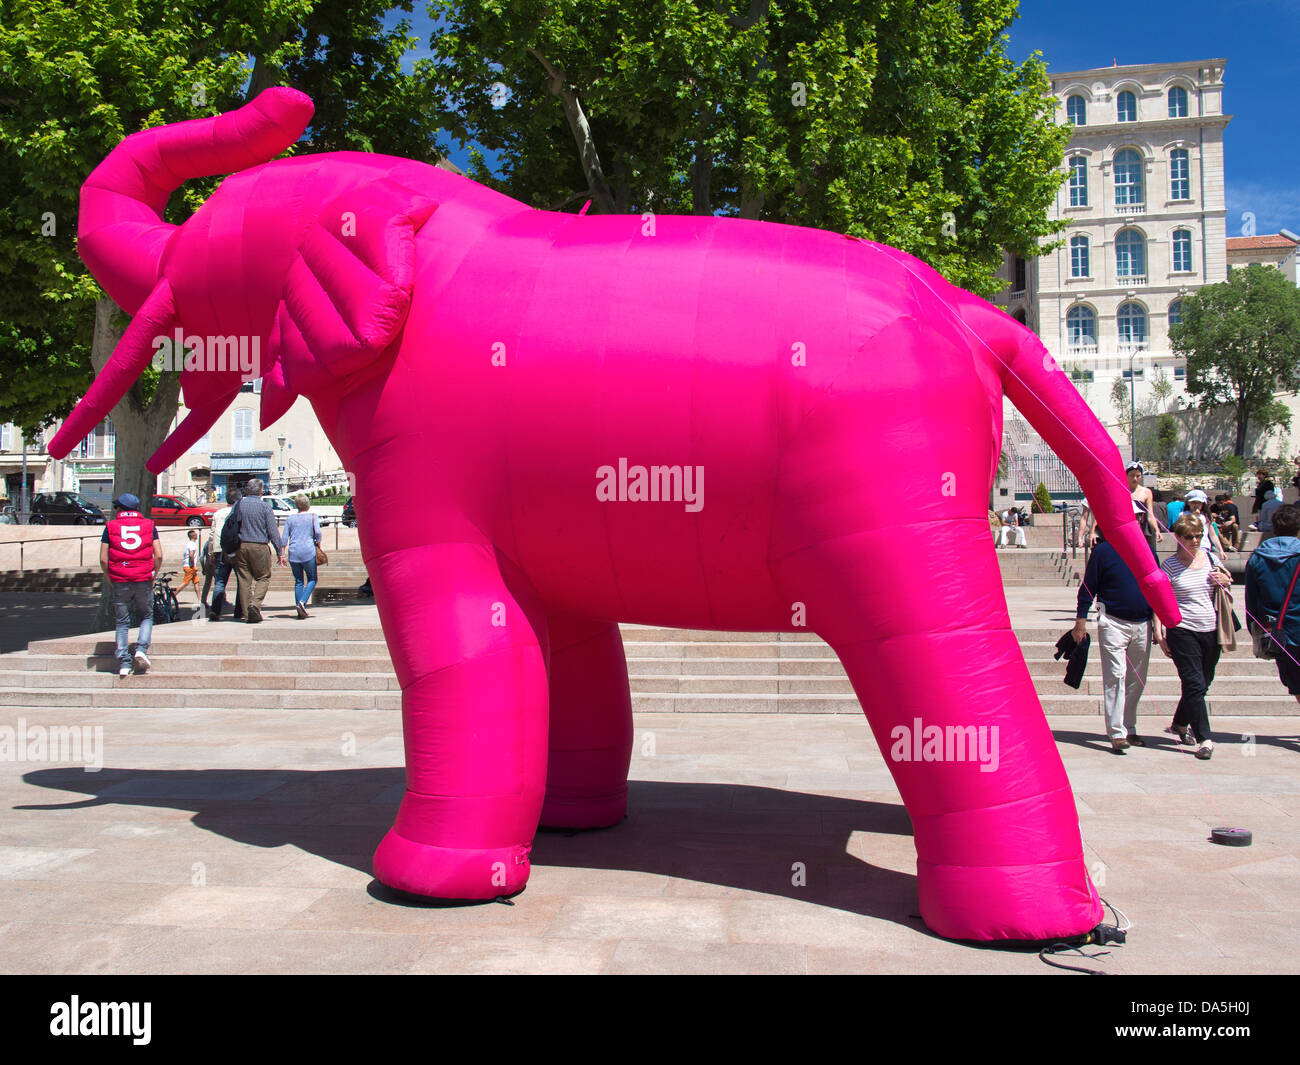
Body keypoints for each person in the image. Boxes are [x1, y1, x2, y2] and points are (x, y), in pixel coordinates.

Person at [1152, 512, 1233, 761]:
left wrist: (1225, 580)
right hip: (1182, 630)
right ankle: (1204, 738)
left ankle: (1179, 723)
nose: (1196, 541)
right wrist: (1158, 632)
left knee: (1203, 682)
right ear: (1178, 538)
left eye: (1199, 535)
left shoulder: (1210, 558)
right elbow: (1159, 600)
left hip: (1210, 628)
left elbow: (1226, 581)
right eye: (1190, 537)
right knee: (1194, 683)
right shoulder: (1169, 566)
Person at [1074, 527, 1157, 752]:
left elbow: (1156, 586)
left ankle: (1129, 726)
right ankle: (1116, 732)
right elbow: (1089, 587)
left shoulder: (1147, 550)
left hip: (1142, 622)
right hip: (1112, 620)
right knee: (1116, 675)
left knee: (1137, 678)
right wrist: (1081, 619)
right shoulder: (1103, 552)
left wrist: (1158, 626)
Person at [99, 493, 162, 678]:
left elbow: (103, 558)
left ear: (120, 509)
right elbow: (158, 555)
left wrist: (109, 575)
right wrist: (153, 573)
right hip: (143, 577)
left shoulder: (110, 527)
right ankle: (141, 649)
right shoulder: (149, 526)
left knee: (122, 621)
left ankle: (124, 661)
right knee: (147, 615)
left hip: (120, 578)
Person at [1245, 504, 1300, 705]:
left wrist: (1256, 631)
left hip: (1277, 632)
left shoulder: (1258, 558)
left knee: (1295, 682)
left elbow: (1251, 599)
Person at [231, 478, 286, 623]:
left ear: (247, 490)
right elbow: (273, 531)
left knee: (244, 580)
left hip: (241, 546)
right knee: (263, 577)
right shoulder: (264, 507)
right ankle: (255, 605)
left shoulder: (238, 504)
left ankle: (248, 614)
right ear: (261, 491)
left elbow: (230, 525)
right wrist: (280, 551)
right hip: (259, 546)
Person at [284, 492, 323, 618]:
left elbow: (284, 537)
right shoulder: (313, 516)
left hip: (293, 552)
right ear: (307, 504)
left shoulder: (290, 519)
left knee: (298, 581)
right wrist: (318, 542)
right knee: (312, 578)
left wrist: (281, 553)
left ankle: (299, 608)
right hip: (308, 550)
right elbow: (318, 532)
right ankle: (302, 602)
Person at [207, 488, 244, 621]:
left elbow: (212, 534)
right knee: (242, 580)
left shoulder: (218, 513)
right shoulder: (239, 512)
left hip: (219, 549)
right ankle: (239, 611)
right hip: (235, 549)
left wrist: (211, 552)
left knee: (220, 581)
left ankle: (215, 610)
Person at [1126, 462, 1162, 554]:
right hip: (1125, 530)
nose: (1135, 478)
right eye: (1132, 475)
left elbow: (1150, 515)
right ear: (1126, 475)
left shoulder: (1146, 492)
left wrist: (1156, 529)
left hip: (1140, 529)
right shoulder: (1120, 490)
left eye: (1138, 476)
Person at [1183, 490, 1225, 562]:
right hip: (1189, 548)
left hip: (1204, 546)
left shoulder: (1205, 516)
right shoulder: (1183, 515)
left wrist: (1221, 550)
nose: (1196, 505)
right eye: (1193, 502)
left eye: (1199, 503)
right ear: (1188, 503)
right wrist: (1194, 516)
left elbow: (1213, 535)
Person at [177, 527, 202, 605]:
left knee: (196, 582)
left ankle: (200, 600)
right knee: (185, 583)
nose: (197, 535)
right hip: (190, 567)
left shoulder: (191, 544)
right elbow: (191, 555)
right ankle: (173, 596)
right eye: (195, 534)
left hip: (189, 566)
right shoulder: (192, 544)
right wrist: (193, 566)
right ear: (193, 536)